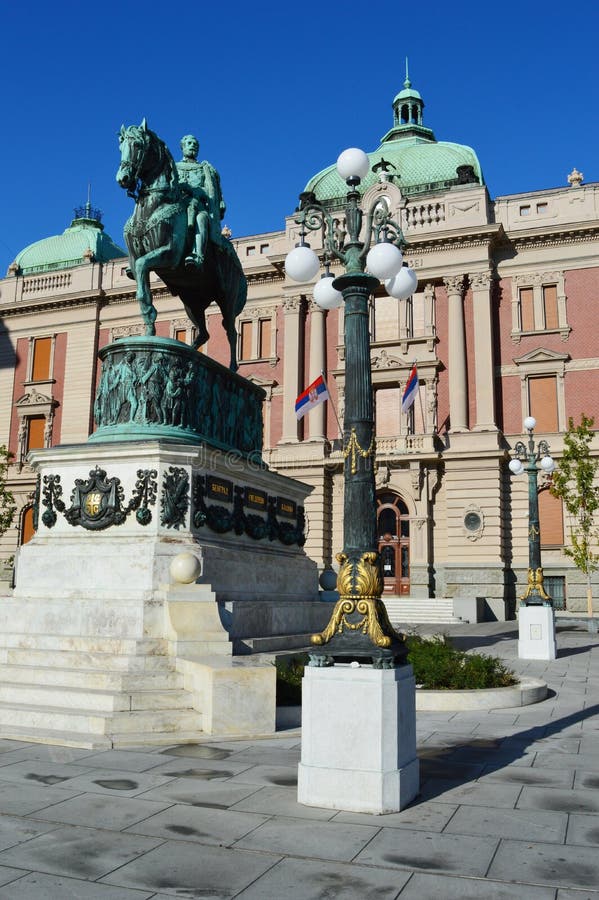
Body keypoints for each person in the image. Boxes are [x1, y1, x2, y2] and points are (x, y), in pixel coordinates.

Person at [177, 134, 226, 268]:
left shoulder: (204, 169)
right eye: (189, 143)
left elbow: (210, 191)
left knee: (201, 219)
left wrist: (197, 191)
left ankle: (197, 254)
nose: (192, 146)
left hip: (197, 205)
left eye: (195, 144)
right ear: (182, 147)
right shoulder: (174, 167)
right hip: (177, 205)